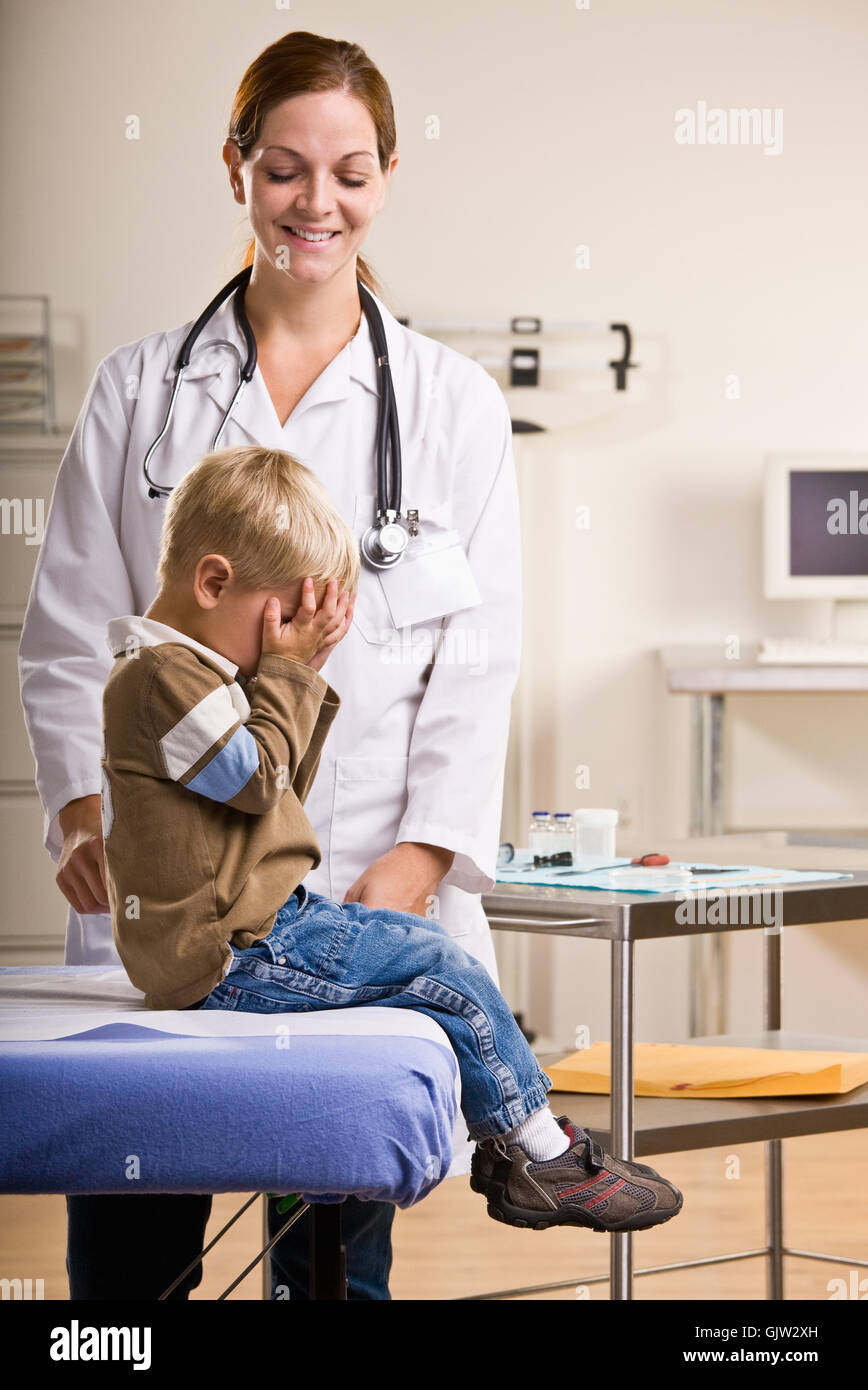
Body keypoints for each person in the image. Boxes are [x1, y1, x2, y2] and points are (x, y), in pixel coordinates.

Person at [17, 28, 525, 1299]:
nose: (318, 203)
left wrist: (413, 864)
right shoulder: (142, 393)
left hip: (351, 888)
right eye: (287, 168)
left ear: (388, 178)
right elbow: (72, 632)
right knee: (127, 1263)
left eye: (350, 172)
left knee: (327, 1261)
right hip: (166, 894)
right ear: (236, 169)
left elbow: (480, 659)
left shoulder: (452, 404)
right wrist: (81, 806)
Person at [101, 444, 684, 1243]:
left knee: (424, 946)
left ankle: (531, 1148)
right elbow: (261, 780)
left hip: (254, 929)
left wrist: (298, 668)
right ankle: (537, 1154)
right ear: (212, 583)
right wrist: (289, 672)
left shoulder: (189, 674)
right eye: (282, 617)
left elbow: (264, 800)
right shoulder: (160, 676)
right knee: (439, 966)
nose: (289, 640)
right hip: (231, 956)